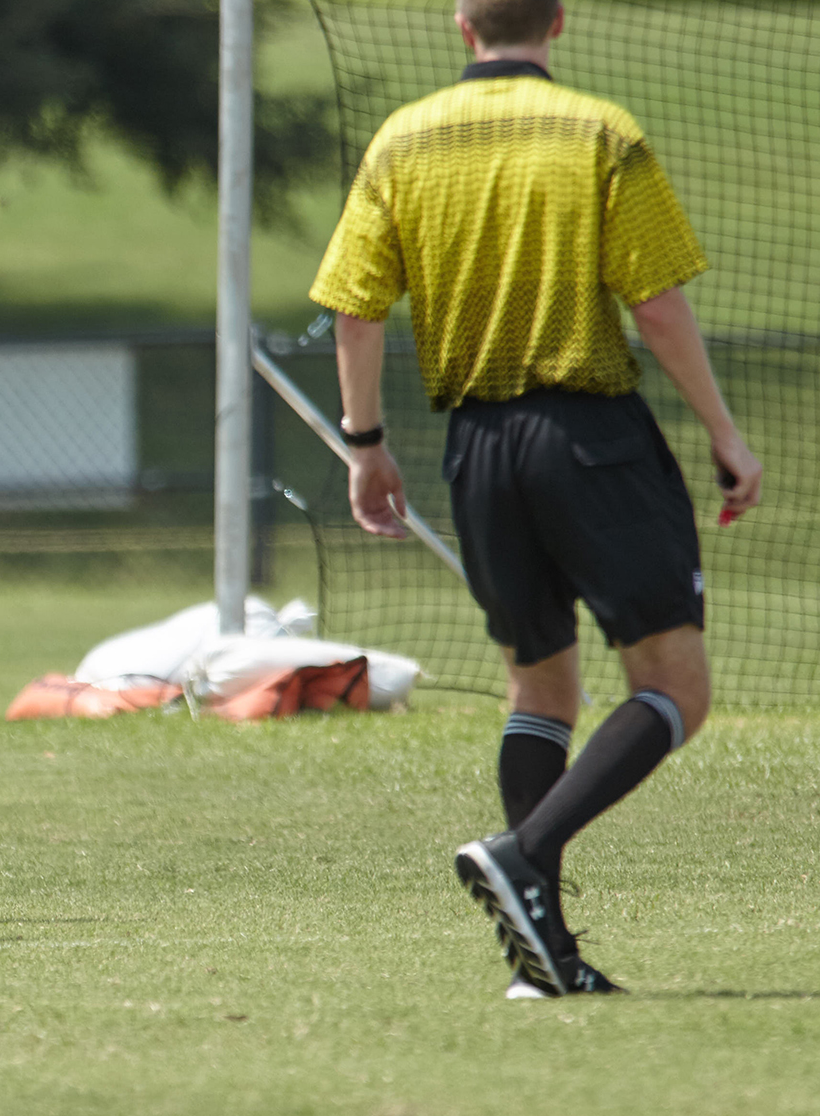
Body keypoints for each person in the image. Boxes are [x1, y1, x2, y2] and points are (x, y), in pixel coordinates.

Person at [310, 0, 764, 997]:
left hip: (475, 451)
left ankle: (542, 961)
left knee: (540, 691)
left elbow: (353, 305)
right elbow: (651, 301)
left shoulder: (402, 137)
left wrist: (365, 448)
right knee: (674, 688)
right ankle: (524, 854)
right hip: (589, 439)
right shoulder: (599, 130)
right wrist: (723, 433)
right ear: (554, 21)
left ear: (459, 28)